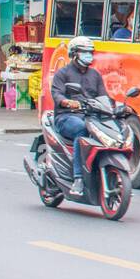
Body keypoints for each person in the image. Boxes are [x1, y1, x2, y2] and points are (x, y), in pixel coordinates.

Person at [50, 35, 110, 197]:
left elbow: (103, 97)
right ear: (74, 54)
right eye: (84, 52)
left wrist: (115, 107)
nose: (88, 56)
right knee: (82, 130)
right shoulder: (62, 74)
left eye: (90, 52)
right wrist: (68, 102)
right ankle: (78, 178)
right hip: (66, 117)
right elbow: (57, 95)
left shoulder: (95, 75)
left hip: (90, 116)